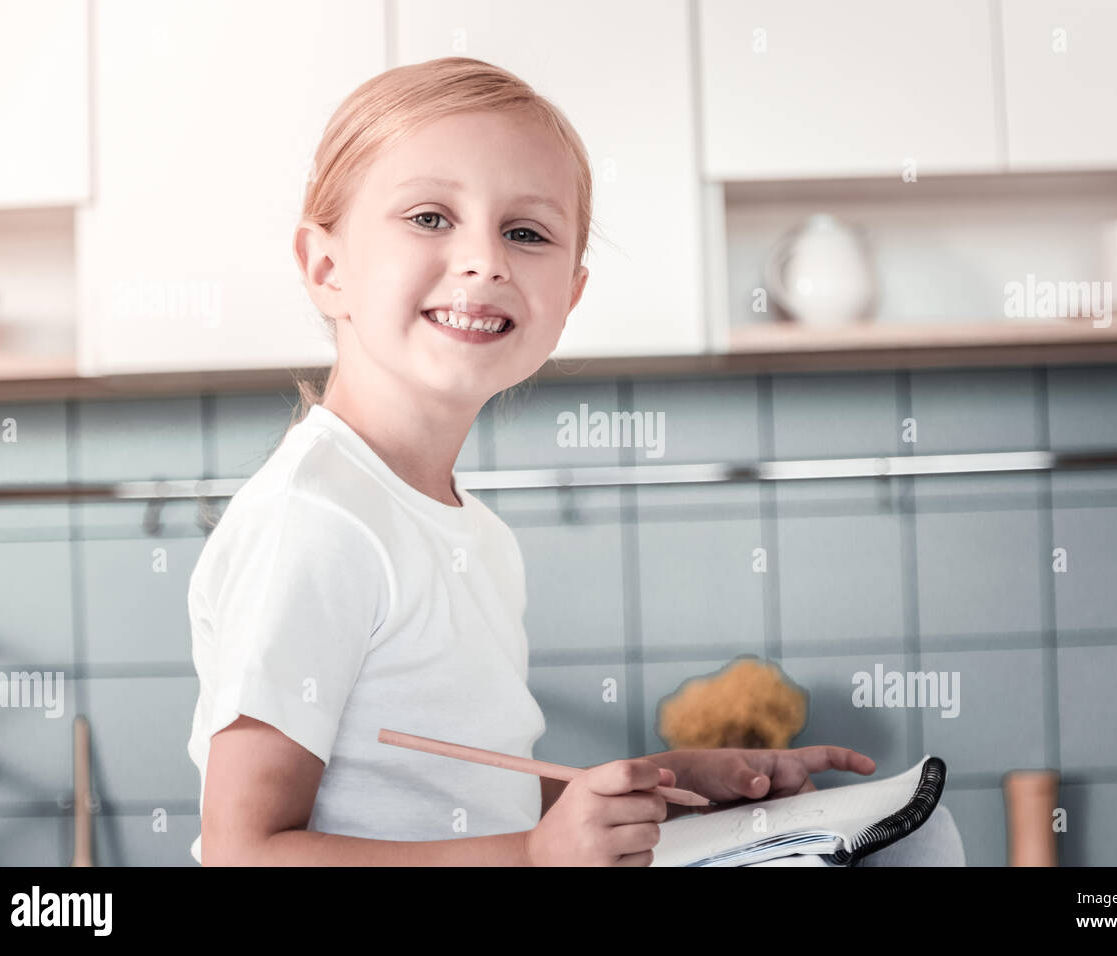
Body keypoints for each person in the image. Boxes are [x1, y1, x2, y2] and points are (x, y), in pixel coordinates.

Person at [186, 56, 879, 866]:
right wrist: (530, 857)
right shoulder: (315, 520)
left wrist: (658, 788)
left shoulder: (477, 536)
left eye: (526, 232)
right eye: (430, 217)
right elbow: (246, 854)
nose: (486, 260)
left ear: (570, 298)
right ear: (326, 267)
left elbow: (454, 801)